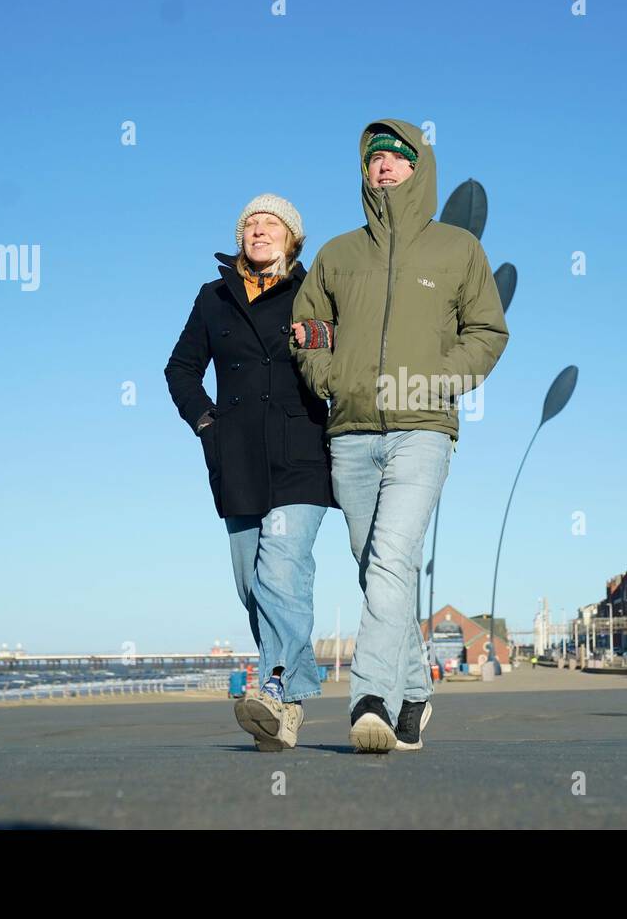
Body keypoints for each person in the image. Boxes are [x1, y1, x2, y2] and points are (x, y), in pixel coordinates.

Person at [291, 119, 509, 753]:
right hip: (351, 432)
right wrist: (327, 376)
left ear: (420, 169)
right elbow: (308, 326)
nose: (383, 166)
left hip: (423, 429)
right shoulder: (337, 254)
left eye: (396, 157)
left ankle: (371, 699)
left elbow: (488, 332)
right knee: (377, 567)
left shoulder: (457, 249)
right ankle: (415, 692)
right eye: (373, 159)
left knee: (390, 557)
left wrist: (436, 380)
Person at [164, 194, 333, 752]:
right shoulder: (213, 297)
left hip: (300, 448)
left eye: (271, 224)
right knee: (250, 583)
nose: (259, 231)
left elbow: (342, 355)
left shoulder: (315, 291)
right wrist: (206, 422)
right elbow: (181, 368)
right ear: (240, 238)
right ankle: (286, 700)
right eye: (250, 225)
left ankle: (278, 690)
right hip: (235, 451)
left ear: (293, 238)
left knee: (282, 571)